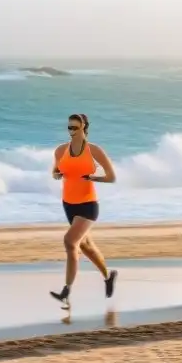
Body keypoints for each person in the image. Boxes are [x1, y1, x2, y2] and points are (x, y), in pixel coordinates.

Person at [49, 113, 118, 305]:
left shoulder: (94, 150)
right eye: (69, 128)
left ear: (84, 128)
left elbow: (111, 177)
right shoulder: (61, 150)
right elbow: (55, 172)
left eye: (75, 128)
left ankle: (66, 290)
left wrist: (93, 178)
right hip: (68, 204)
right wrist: (57, 175)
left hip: (88, 204)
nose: (71, 131)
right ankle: (108, 276)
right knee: (86, 247)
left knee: (70, 242)